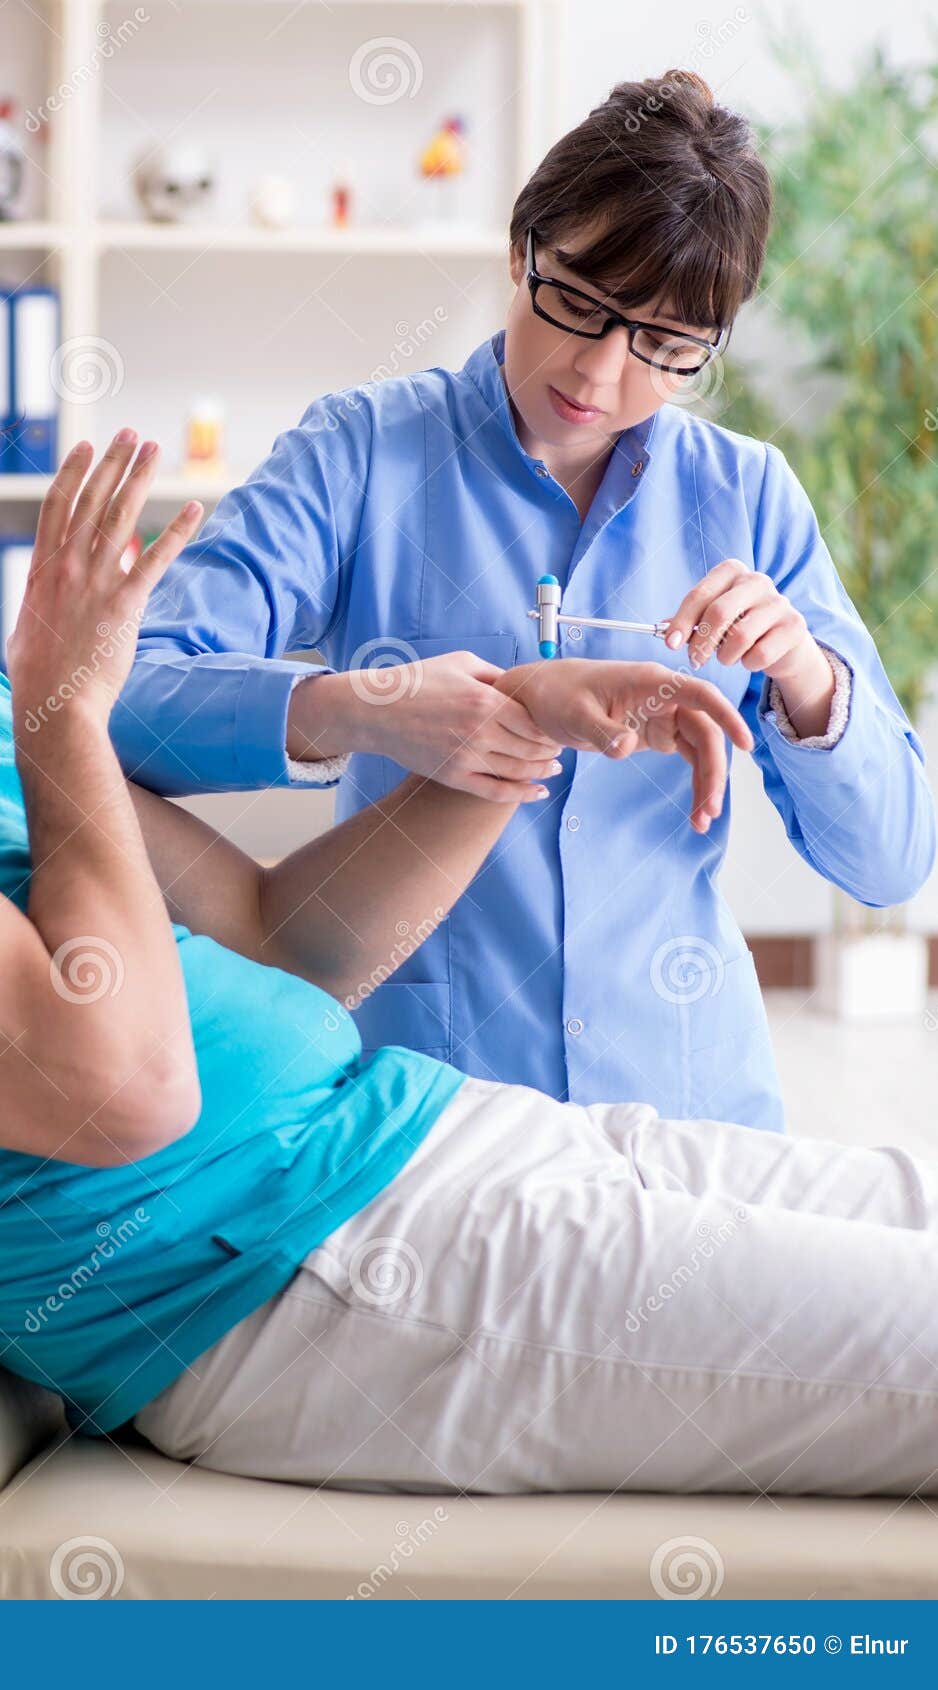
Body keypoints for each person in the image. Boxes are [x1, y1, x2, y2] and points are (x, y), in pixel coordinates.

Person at [0, 263, 938, 1499]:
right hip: (303, 1284)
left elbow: (280, 938)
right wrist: (65, 719)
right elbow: (126, 1088)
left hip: (431, 1134)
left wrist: (514, 725)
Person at [110, 70, 936, 1135]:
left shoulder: (748, 495)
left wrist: (808, 681)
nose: (599, 372)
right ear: (522, 248)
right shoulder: (361, 451)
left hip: (688, 1113)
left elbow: (890, 864)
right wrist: (357, 709)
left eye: (665, 347)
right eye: (579, 304)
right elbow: (119, 698)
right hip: (435, 1113)